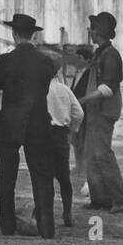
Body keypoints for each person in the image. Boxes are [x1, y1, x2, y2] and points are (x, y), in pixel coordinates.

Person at [0, 14, 59, 238]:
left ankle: (7, 227)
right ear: (33, 34)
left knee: (6, 179)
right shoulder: (46, 61)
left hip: (9, 123)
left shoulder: (4, 61)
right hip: (38, 123)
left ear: (13, 33)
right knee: (42, 178)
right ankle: (46, 228)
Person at [73, 10, 123, 213]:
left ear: (99, 31)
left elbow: (108, 87)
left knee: (103, 154)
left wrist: (84, 100)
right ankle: (99, 199)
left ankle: (119, 200)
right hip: (95, 110)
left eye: (93, 28)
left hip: (104, 111)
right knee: (90, 155)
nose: (90, 31)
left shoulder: (110, 55)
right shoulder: (101, 52)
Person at [45, 62, 83, 229]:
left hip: (43, 134)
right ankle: (67, 212)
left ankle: (45, 213)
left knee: (44, 176)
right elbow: (79, 113)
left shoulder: (40, 89)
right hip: (61, 134)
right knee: (63, 177)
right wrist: (72, 128)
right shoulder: (64, 89)